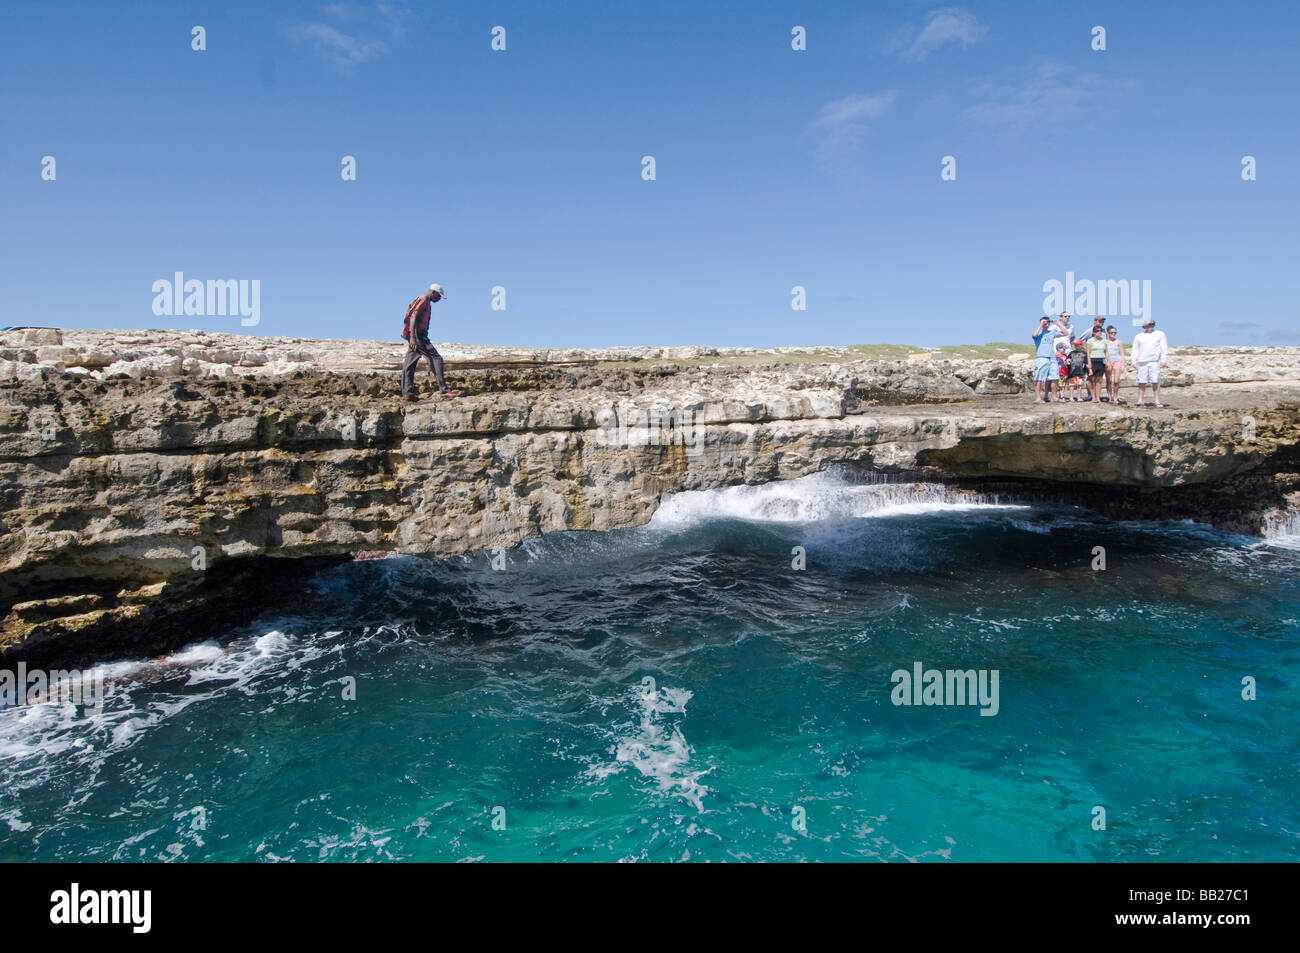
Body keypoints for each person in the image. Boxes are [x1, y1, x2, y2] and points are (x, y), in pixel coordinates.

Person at [401, 283, 461, 402]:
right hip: (417, 336)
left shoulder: (423, 300)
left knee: (409, 363)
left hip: (414, 334)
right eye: (438, 296)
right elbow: (414, 317)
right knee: (436, 358)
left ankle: (407, 393)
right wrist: (413, 337)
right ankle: (444, 390)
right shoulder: (424, 300)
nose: (439, 299)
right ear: (433, 292)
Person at [1131, 318, 1169, 407]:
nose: (1150, 327)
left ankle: (1157, 400)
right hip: (1142, 361)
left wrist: (1164, 360)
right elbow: (1135, 349)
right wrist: (1134, 361)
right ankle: (1140, 400)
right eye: (1148, 325)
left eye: (1151, 325)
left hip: (1154, 361)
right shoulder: (1139, 336)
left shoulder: (1160, 334)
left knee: (1155, 380)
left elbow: (1164, 348)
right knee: (1142, 381)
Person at [1031, 317, 1057, 403]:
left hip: (1052, 357)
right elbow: (1034, 335)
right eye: (1044, 322)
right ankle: (1038, 398)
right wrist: (1041, 324)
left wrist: (1057, 323)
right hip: (1042, 357)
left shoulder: (1051, 333)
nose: (1046, 324)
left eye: (1047, 322)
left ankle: (1054, 397)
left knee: (1054, 377)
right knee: (1039, 378)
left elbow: (1066, 333)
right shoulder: (1039, 334)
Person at [1104, 325, 1125, 403]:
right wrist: (1107, 361)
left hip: (1117, 361)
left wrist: (1123, 364)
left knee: (1116, 381)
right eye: (1111, 332)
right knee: (1108, 380)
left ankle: (1116, 396)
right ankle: (1110, 397)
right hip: (1109, 362)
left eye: (1114, 332)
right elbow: (1105, 353)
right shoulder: (1105, 342)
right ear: (1108, 333)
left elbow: (1122, 353)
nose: (1113, 334)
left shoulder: (1118, 342)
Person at [1087, 326, 1107, 402]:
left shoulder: (1104, 341)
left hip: (1101, 360)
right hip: (1093, 359)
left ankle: (1098, 397)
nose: (1100, 332)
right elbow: (1088, 353)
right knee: (1092, 379)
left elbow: (1106, 352)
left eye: (1101, 331)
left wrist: (1107, 361)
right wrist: (1089, 364)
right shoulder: (1090, 341)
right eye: (1098, 331)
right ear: (1094, 332)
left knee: (1099, 380)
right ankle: (1093, 396)